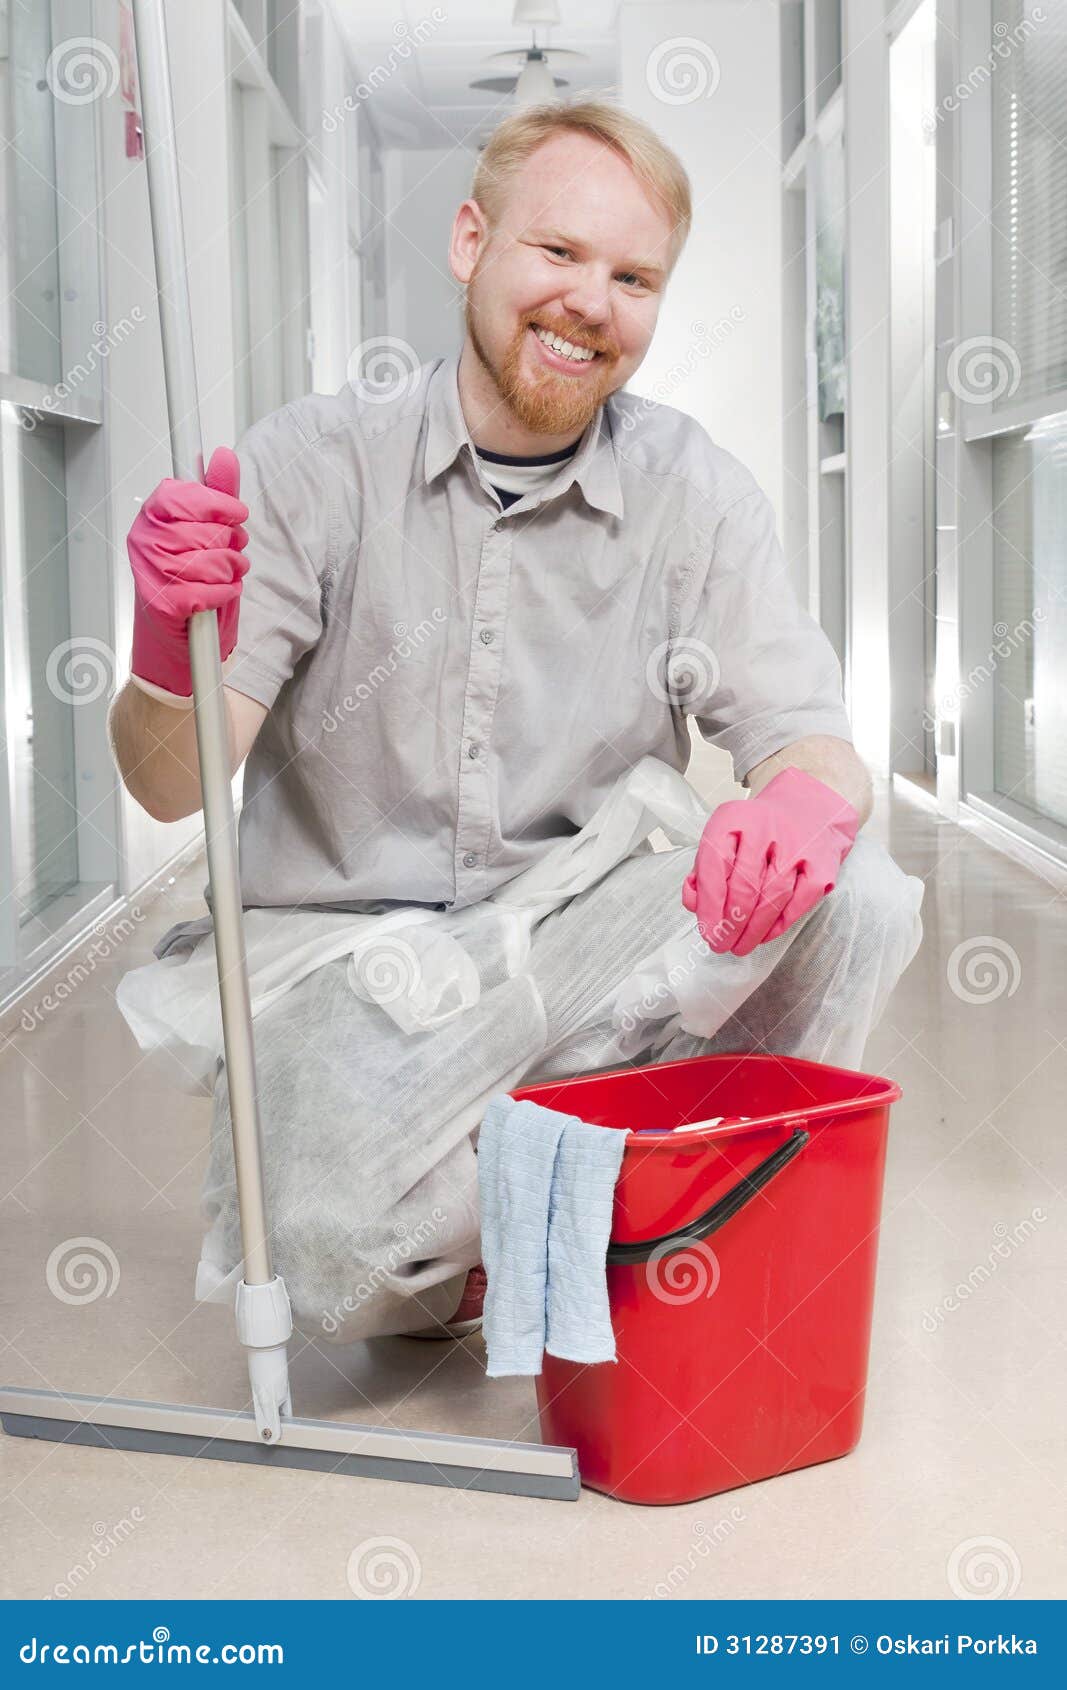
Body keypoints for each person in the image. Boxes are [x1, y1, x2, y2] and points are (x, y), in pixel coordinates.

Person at [110, 100, 921, 1342]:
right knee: (329, 1262)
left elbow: (804, 734)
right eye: (557, 253)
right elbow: (173, 786)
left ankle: (706, 1208)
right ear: (470, 242)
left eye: (632, 275)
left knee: (851, 888)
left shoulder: (688, 492)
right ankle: (593, 1186)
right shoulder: (315, 465)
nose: (591, 301)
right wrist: (165, 649)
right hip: (351, 965)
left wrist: (806, 794)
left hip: (573, 936)